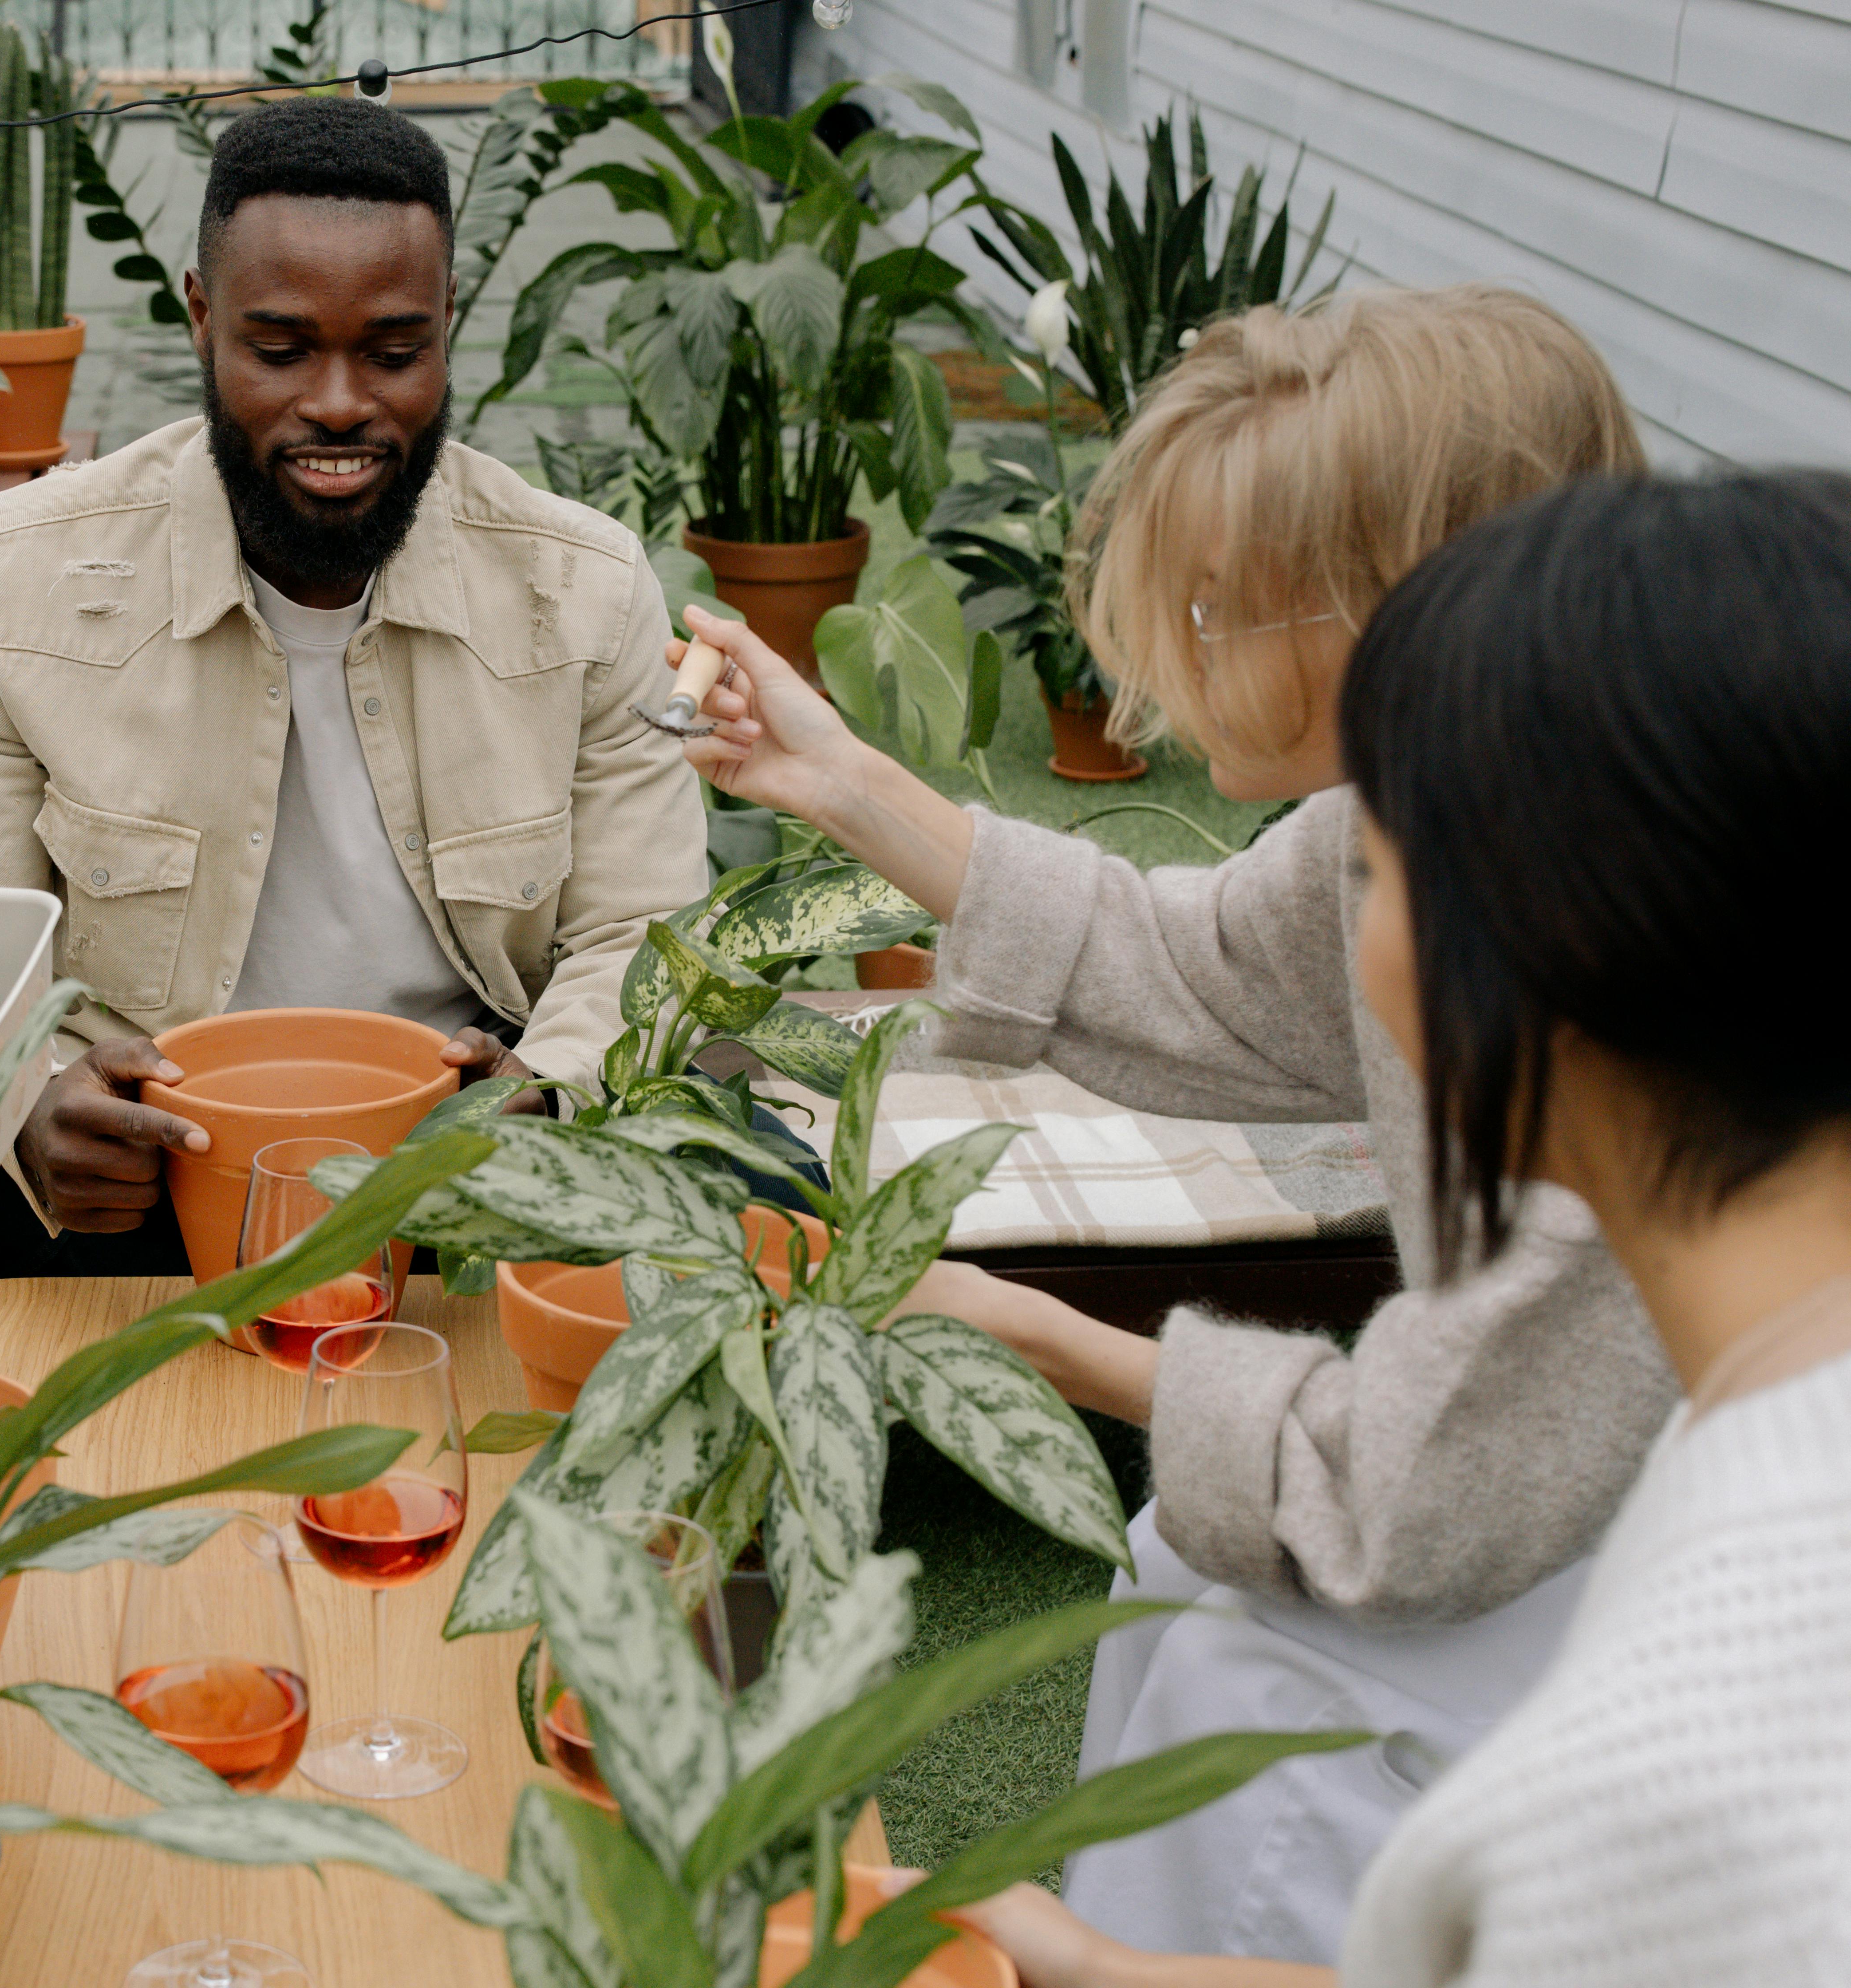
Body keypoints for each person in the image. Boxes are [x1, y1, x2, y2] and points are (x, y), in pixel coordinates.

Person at [679, 288, 1672, 1961]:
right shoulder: (1414, 816)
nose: (1182, 638)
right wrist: (838, 778)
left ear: (1401, 602)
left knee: (1254, 1677)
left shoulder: (1614, 964)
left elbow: (1435, 1491)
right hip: (1525, 1471)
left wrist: (1031, 1334)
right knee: (1177, 1556)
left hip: (1673, 1547)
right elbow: (1191, 967)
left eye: (1225, 603)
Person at [950, 468, 1851, 1987]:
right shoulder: (1772, 1406)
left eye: (1374, 857)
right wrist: (1110, 1970)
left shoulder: (1719, 1707)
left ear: (1527, 943)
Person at [0, 94, 707, 1274]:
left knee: (764, 1179)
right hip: (147, 1156)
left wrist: (550, 1099)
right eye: (282, 349)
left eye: (395, 352)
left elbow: (643, 934)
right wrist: (30, 1112)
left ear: (447, 327)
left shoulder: (586, 587)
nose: (342, 404)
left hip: (454, 1156)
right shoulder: (19, 576)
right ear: (204, 318)